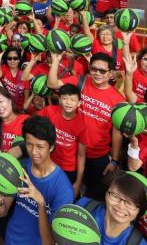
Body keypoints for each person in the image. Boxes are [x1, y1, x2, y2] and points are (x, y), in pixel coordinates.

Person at [47, 51, 124, 200]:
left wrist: (114, 160)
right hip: (71, 153)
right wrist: (56, 61)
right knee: (66, 193)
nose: (97, 73)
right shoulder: (80, 81)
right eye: (94, 69)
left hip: (98, 156)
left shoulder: (118, 100)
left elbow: (116, 132)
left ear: (110, 73)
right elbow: (52, 84)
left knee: (93, 196)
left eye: (102, 71)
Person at [0, 116, 73, 245]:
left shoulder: (63, 190)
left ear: (51, 147)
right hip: (11, 239)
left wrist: (41, 203)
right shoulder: (22, 168)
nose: (34, 152)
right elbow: (2, 212)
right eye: (29, 145)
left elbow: (49, 242)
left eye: (40, 147)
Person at [37, 82, 86, 197]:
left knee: (62, 197)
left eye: (72, 100)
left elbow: (81, 155)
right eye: (64, 98)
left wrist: (78, 182)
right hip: (48, 162)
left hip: (68, 169)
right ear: (59, 100)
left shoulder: (82, 125)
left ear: (79, 103)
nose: (68, 102)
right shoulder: (49, 111)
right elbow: (35, 123)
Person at [77, 172, 147, 245]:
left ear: (139, 210)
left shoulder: (139, 243)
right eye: (115, 196)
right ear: (106, 193)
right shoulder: (83, 206)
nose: (121, 206)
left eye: (131, 203)